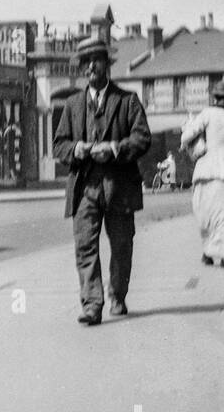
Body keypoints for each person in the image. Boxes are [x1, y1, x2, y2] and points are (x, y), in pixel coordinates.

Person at [53, 38, 152, 325]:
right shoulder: (72, 105)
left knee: (121, 245)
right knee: (84, 245)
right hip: (85, 187)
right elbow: (59, 145)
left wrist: (115, 148)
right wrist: (76, 149)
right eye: (85, 62)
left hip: (119, 186)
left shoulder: (127, 100)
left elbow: (143, 137)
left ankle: (118, 296)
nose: (91, 67)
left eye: (96, 60)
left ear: (107, 64)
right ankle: (92, 304)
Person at [181, 80, 224, 268]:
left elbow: (186, 136)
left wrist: (190, 133)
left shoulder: (207, 113)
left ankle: (208, 251)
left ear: (217, 98)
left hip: (207, 168)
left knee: (206, 214)